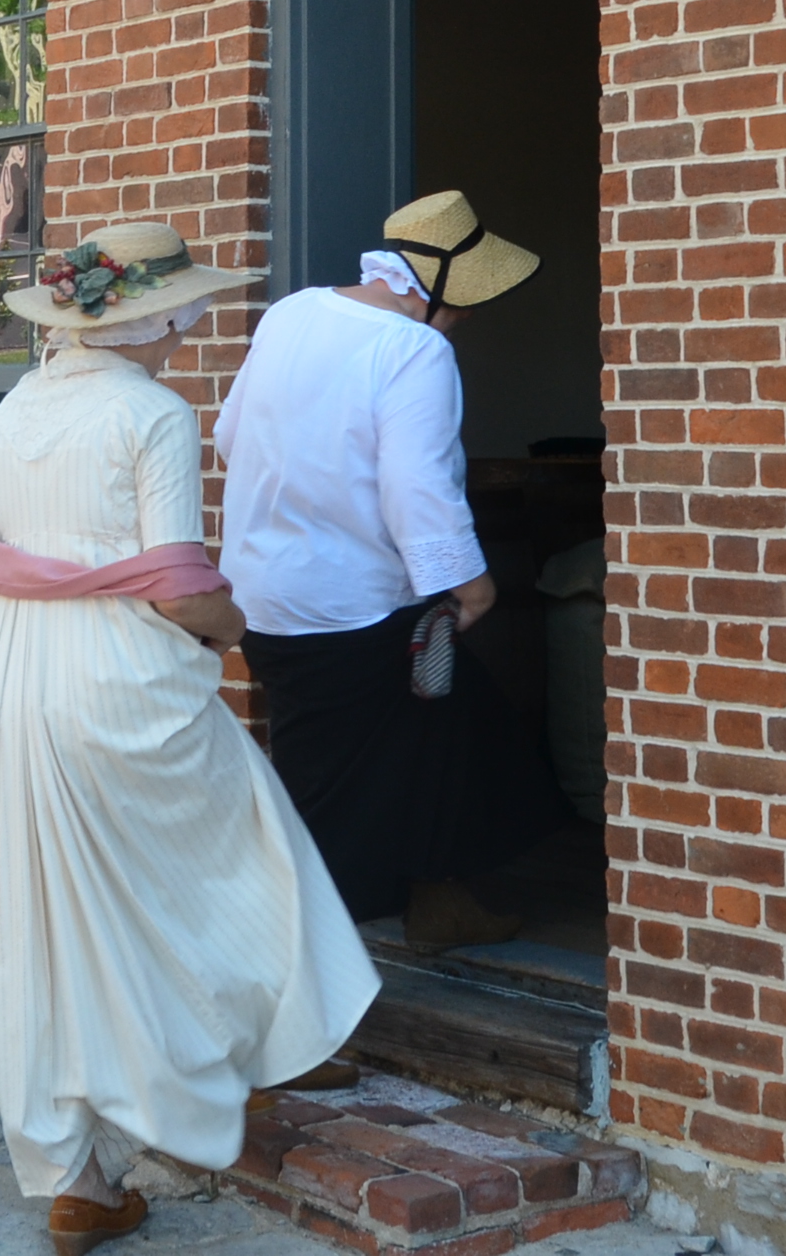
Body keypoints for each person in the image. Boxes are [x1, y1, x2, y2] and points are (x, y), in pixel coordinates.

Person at [0, 222, 379, 1256]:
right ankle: (238, 1049)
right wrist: (236, 627)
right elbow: (179, 586)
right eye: (182, 317)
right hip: (118, 674)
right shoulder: (153, 412)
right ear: (148, 321)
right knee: (248, 850)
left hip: (16, 672)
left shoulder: (18, 405)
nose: (187, 334)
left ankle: (76, 1175)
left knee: (49, 912)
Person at [218, 189, 569, 949]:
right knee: (340, 794)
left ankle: (439, 899)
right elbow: (417, 485)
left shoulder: (292, 314)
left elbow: (228, 434)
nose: (466, 315)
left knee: (447, 726)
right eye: (464, 298)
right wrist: (470, 581)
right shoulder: (416, 350)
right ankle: (292, 969)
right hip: (353, 604)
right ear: (432, 283)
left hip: (264, 594)